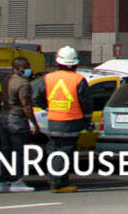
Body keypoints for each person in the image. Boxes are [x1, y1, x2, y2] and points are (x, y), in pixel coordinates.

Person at [40, 46, 88, 191]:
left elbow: (36, 96)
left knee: (55, 150)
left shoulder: (48, 78)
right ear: (75, 63)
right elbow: (86, 102)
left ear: (57, 62)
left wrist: (49, 107)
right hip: (71, 122)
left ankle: (54, 179)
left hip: (54, 122)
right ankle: (59, 184)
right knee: (65, 152)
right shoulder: (78, 79)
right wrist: (86, 120)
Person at [0, 56, 38, 193]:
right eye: (27, 66)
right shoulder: (23, 84)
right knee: (18, 152)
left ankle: (1, 182)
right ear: (20, 69)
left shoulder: (6, 78)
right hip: (17, 118)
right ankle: (16, 181)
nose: (29, 69)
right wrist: (33, 123)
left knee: (5, 150)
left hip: (3, 117)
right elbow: (26, 106)